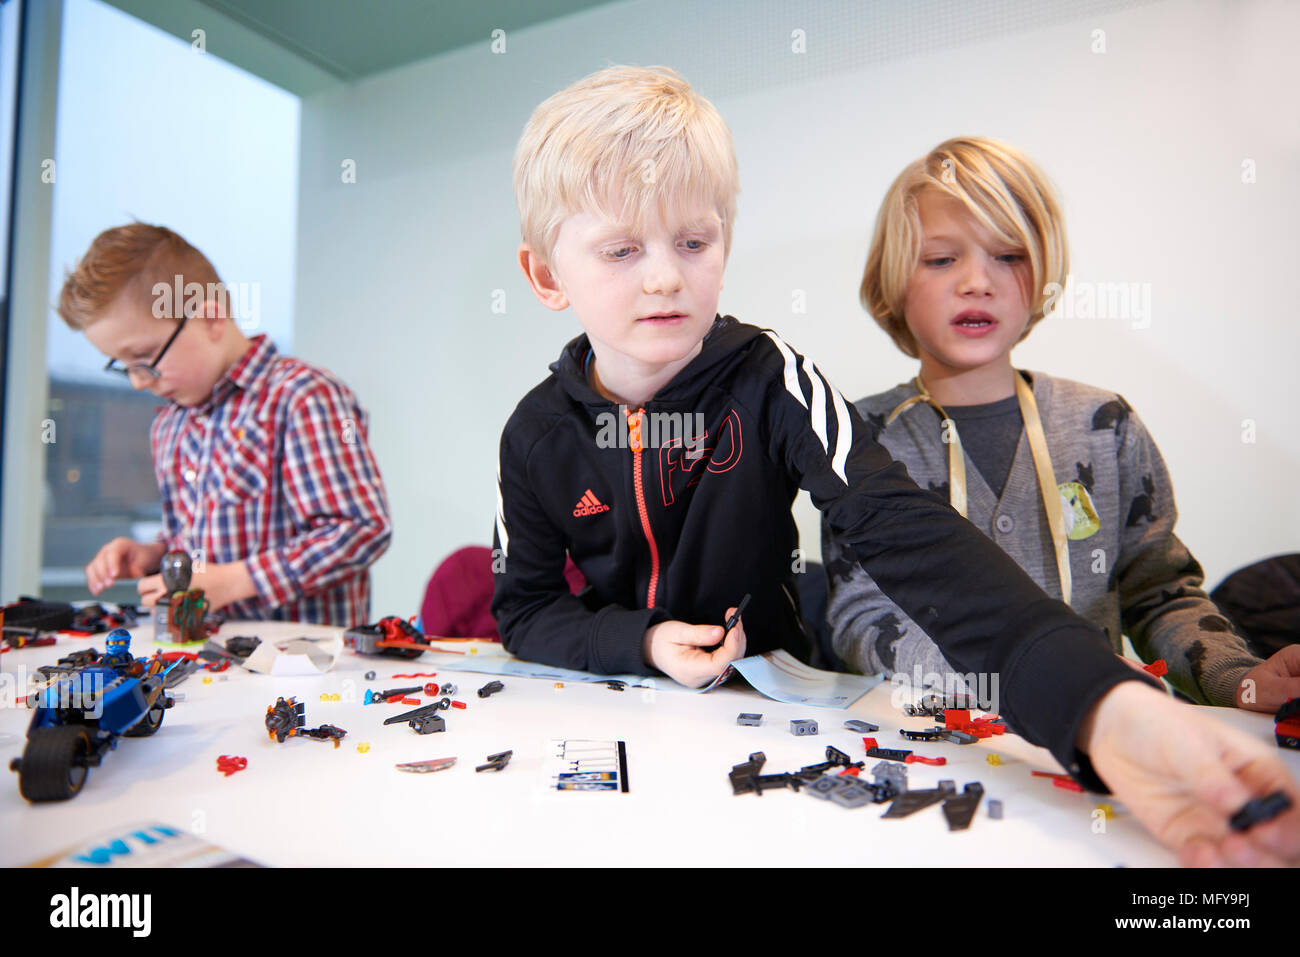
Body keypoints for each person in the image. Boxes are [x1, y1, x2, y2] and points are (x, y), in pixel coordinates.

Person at [491, 65, 1298, 864]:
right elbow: (523, 610)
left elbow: (904, 531)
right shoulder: (531, 436)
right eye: (621, 249)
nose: (665, 274)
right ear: (544, 275)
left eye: (693, 241)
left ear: (724, 243)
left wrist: (1102, 706)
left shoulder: (771, 377)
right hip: (607, 722)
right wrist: (642, 641)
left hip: (765, 719)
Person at [821, 136, 1300, 713]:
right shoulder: (860, 438)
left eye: (1009, 256)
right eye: (942, 259)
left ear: (1042, 273)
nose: (978, 281)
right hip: (945, 750)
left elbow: (1160, 593)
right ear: (894, 281)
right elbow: (862, 620)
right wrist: (1031, 678)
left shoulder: (1105, 424)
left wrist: (1237, 679)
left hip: (1103, 745)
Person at [62, 223, 391, 626]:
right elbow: (196, 540)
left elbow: (361, 529)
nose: (138, 382)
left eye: (145, 357)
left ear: (212, 319)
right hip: (203, 661)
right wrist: (154, 556)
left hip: (303, 671)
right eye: (123, 367)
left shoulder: (302, 396)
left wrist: (235, 582)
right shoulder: (169, 424)